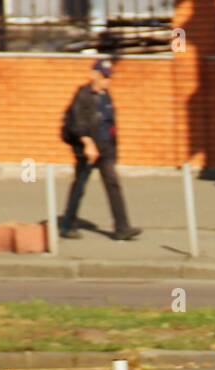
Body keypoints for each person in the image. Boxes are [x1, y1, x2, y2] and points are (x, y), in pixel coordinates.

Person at [58, 57, 141, 241]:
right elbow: (78, 121)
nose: (106, 80)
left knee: (113, 184)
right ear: (93, 75)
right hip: (87, 150)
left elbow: (110, 123)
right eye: (103, 76)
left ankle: (122, 227)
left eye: (108, 77)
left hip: (105, 148)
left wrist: (113, 148)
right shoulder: (83, 95)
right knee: (80, 186)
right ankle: (67, 225)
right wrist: (88, 143)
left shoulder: (106, 96)